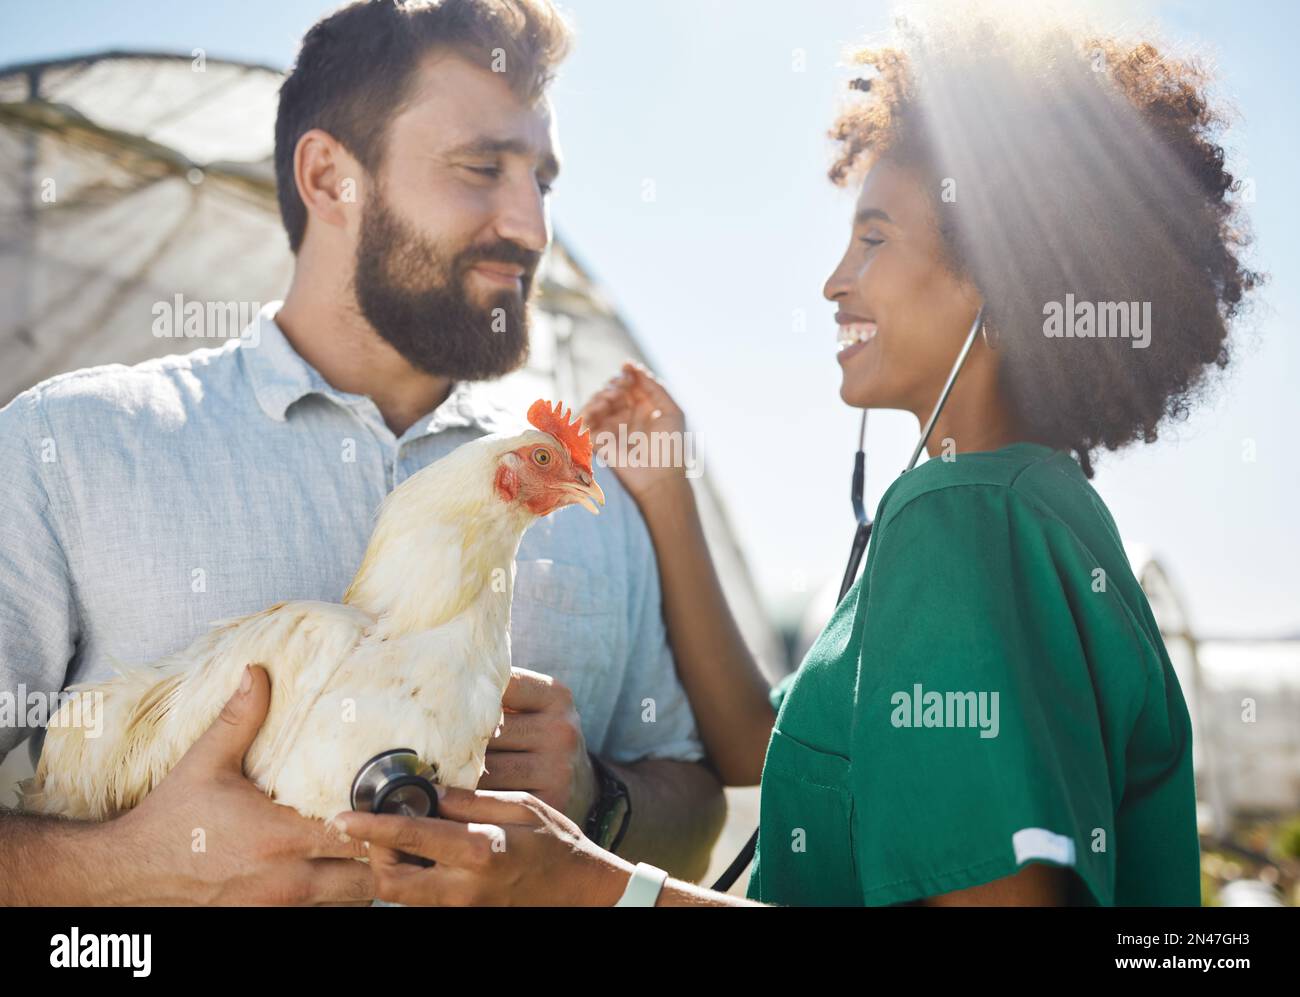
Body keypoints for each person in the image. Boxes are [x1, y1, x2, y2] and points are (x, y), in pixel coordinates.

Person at [332, 13, 1260, 906]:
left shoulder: (964, 517)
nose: (833, 280)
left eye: (875, 237)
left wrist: (585, 884)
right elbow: (761, 745)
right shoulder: (1035, 510)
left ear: (1003, 267)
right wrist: (670, 492)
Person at [0, 0, 724, 905]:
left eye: (542, 179)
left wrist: (599, 798)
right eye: (481, 167)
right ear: (329, 177)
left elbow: (698, 811)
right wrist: (128, 865)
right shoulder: (73, 447)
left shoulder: (588, 496)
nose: (532, 224)